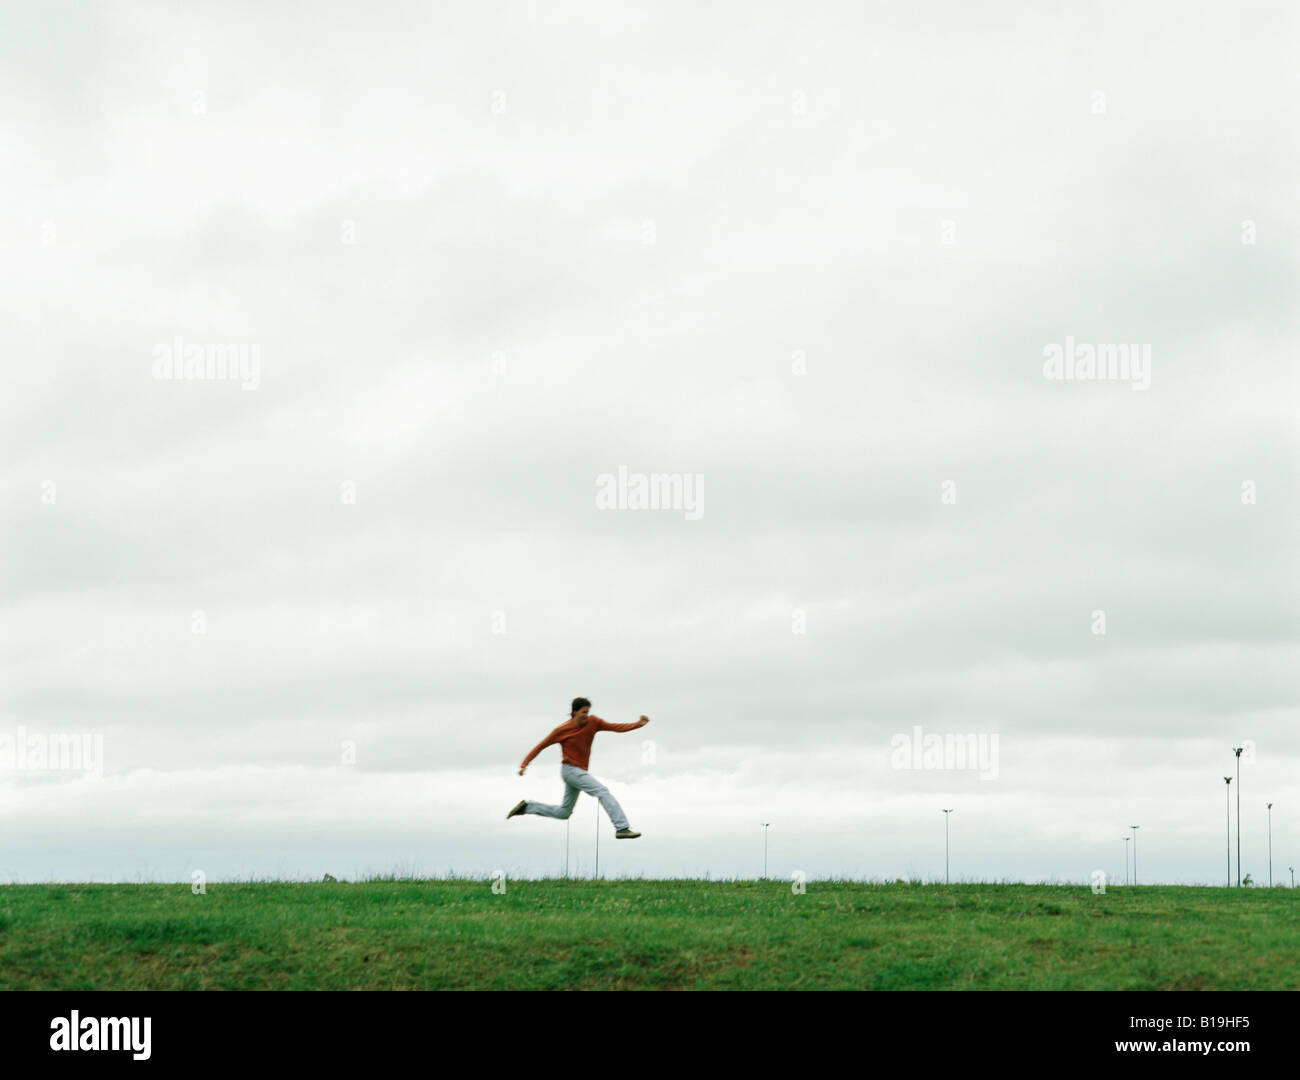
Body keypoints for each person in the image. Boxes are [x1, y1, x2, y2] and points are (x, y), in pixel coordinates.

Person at [507, 697, 647, 838]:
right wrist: (524, 765)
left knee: (564, 812)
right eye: (583, 712)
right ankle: (622, 827)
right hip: (570, 771)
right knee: (602, 791)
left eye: (587, 712)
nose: (586, 715)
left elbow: (615, 727)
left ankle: (528, 807)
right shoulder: (561, 730)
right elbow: (540, 746)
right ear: (574, 712)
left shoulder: (593, 722)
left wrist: (638, 724)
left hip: (578, 773)